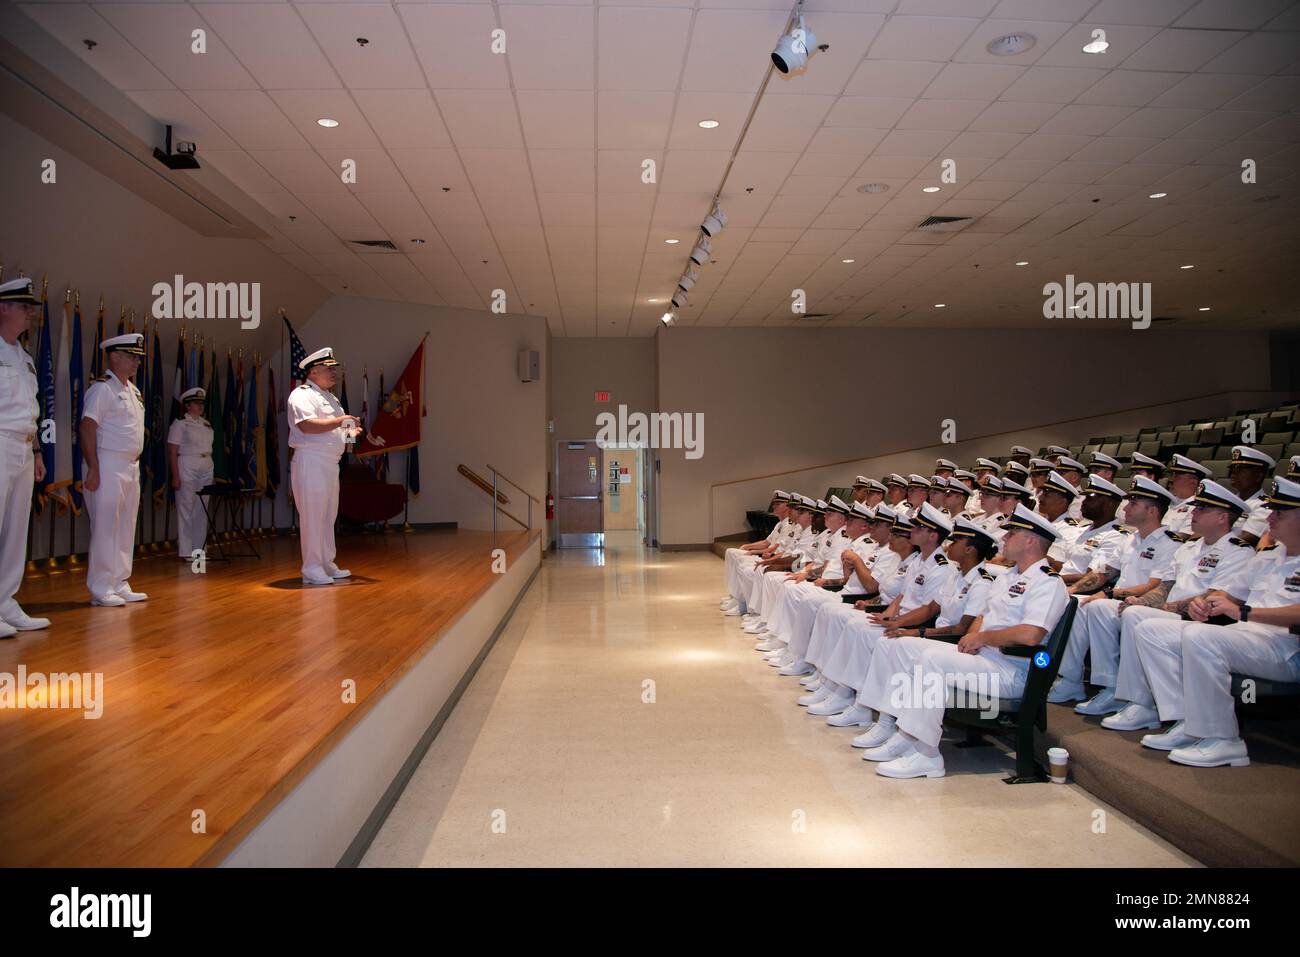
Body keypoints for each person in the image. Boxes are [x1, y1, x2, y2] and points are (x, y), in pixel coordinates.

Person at [853, 502, 1069, 778]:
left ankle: (926, 753)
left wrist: (982, 637)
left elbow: (1031, 634)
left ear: (1030, 541)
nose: (1003, 538)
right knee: (899, 644)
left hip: (1010, 672)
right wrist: (972, 636)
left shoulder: (1048, 582)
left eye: (1011, 534)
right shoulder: (1011, 575)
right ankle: (892, 727)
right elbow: (984, 614)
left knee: (930, 660)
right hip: (985, 659)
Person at [1127, 475, 1300, 768]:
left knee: (1200, 637)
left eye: (1280, 512)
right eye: (1271, 510)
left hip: (1286, 648)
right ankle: (1185, 719)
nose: (1270, 517)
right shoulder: (1269, 556)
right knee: (1151, 629)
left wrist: (1245, 613)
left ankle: (1225, 740)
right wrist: (1202, 603)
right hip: (1248, 638)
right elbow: (1228, 592)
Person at [1100, 480, 1256, 732]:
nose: (1192, 513)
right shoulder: (1189, 547)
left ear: (1222, 517)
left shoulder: (1238, 551)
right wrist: (1141, 601)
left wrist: (1159, 609)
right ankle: (1142, 702)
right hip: (1177, 615)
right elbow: (1165, 587)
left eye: (1202, 509)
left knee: (1141, 619)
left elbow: (1215, 596)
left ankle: (1157, 708)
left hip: (1207, 620)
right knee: (1135, 612)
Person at [1048, 474, 1183, 710]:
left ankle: (1112, 688)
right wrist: (1072, 589)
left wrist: (1112, 593)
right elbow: (1104, 572)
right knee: (1074, 603)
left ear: (1151, 511)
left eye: (1133, 503)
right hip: (1121, 600)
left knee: (1099, 606)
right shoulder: (1130, 539)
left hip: (1144, 604)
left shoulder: (1169, 541)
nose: (1126, 507)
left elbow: (1156, 584)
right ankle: (1070, 679)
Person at [80, 332, 147, 606]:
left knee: (125, 526)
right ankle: (100, 586)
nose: (136, 363)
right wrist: (93, 468)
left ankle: (119, 581)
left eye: (138, 358)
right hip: (107, 463)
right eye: (132, 357)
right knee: (106, 527)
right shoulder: (102, 389)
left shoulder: (133, 391)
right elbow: (87, 428)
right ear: (115, 356)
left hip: (131, 465)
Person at [0, 278, 50, 635]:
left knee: (17, 530)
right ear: (3, 308)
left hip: (22, 445)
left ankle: (5, 601)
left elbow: (30, 409)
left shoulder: (24, 358)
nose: (30, 312)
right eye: (23, 306)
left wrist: (36, 450)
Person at [288, 347, 360, 585]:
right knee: (313, 516)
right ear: (313, 372)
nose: (333, 373)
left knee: (328, 515)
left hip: (331, 463)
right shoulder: (301, 394)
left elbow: (342, 432)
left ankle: (327, 564)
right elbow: (307, 426)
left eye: (333, 369)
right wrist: (341, 420)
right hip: (311, 460)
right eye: (328, 369)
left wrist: (351, 433)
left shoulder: (332, 398)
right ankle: (311, 568)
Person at [167, 386, 214, 560]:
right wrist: (175, 476)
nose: (200, 407)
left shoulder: (206, 424)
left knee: (202, 508)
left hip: (206, 464)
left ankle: (199, 550)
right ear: (187, 405)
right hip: (187, 463)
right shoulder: (180, 423)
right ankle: (186, 550)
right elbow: (172, 451)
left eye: (202, 403)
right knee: (186, 507)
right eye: (196, 403)